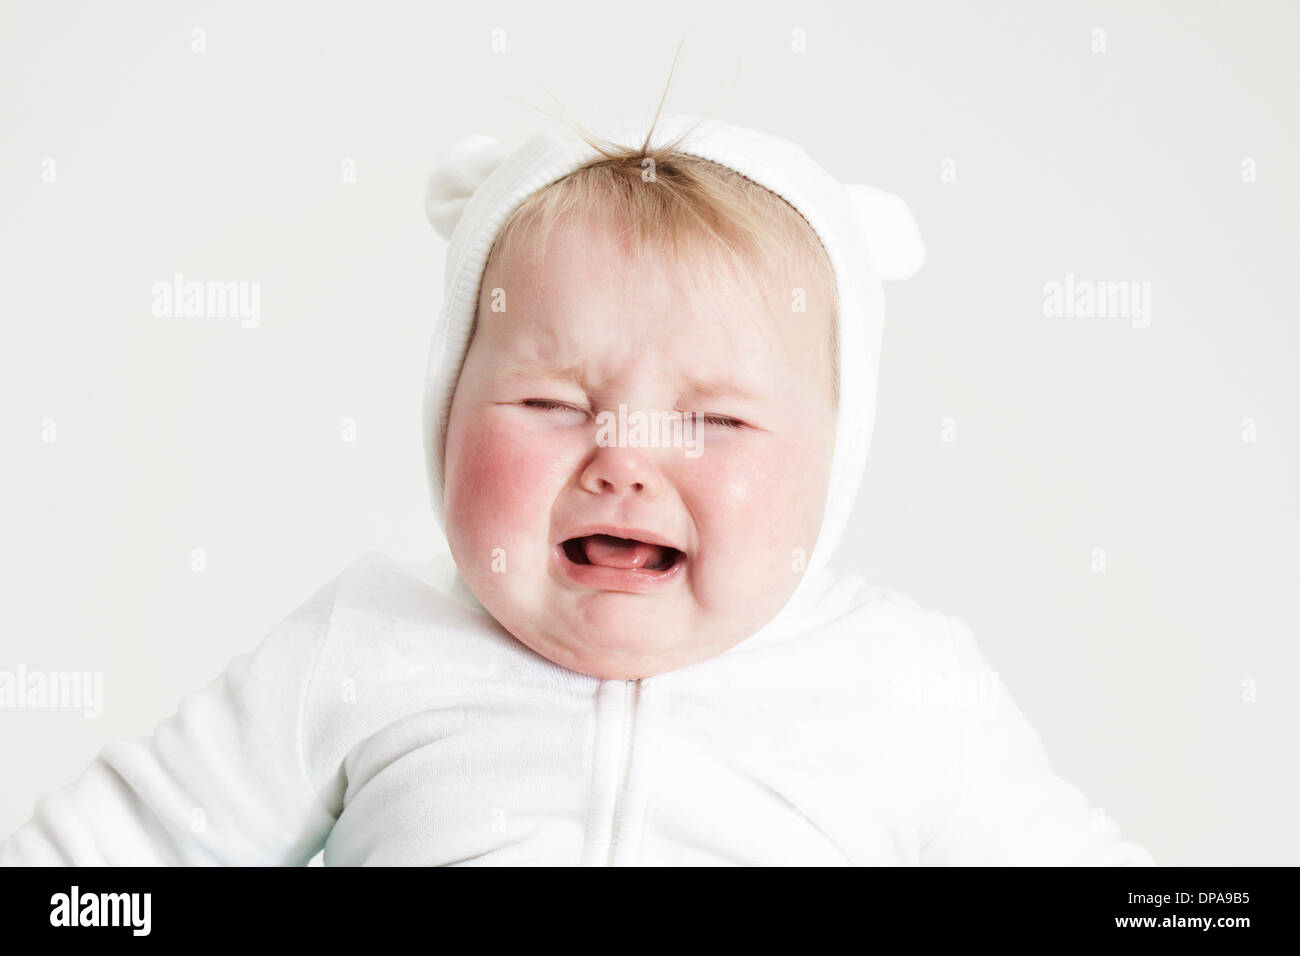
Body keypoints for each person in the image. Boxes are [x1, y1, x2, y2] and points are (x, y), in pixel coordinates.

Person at [0, 107, 1155, 866]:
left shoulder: (900, 684)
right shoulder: (369, 644)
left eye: (710, 419)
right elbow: (112, 860)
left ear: (831, 460)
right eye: (554, 404)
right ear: (447, 416)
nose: (622, 456)